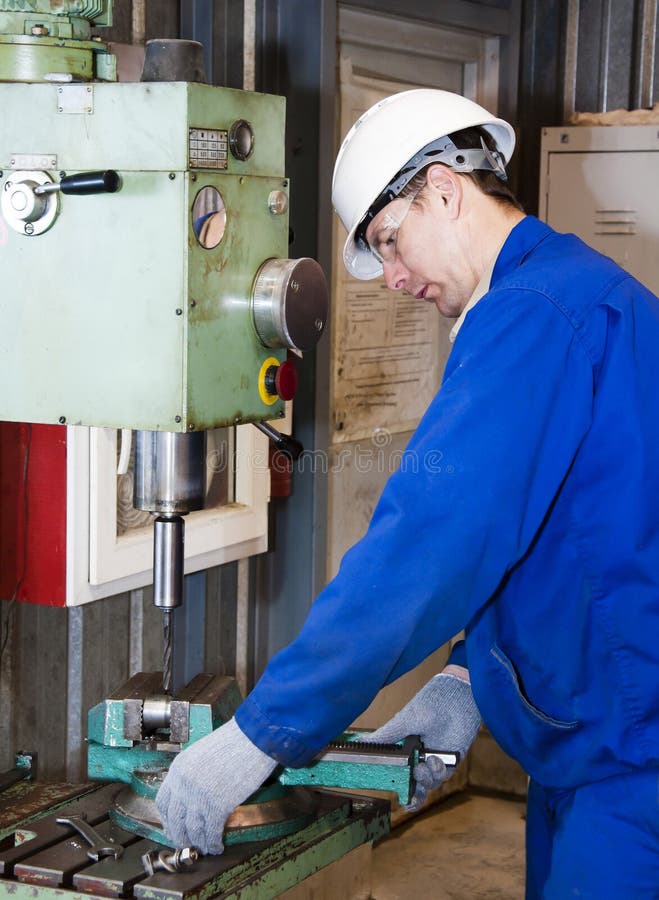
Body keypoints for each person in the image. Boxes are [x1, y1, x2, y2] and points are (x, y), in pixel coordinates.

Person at [156, 89, 659, 897]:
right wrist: (469, 676)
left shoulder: (529, 315)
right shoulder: (583, 293)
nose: (390, 278)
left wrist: (263, 730)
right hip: (597, 749)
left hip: (630, 774)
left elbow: (431, 539)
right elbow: (559, 533)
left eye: (389, 242)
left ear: (445, 191)